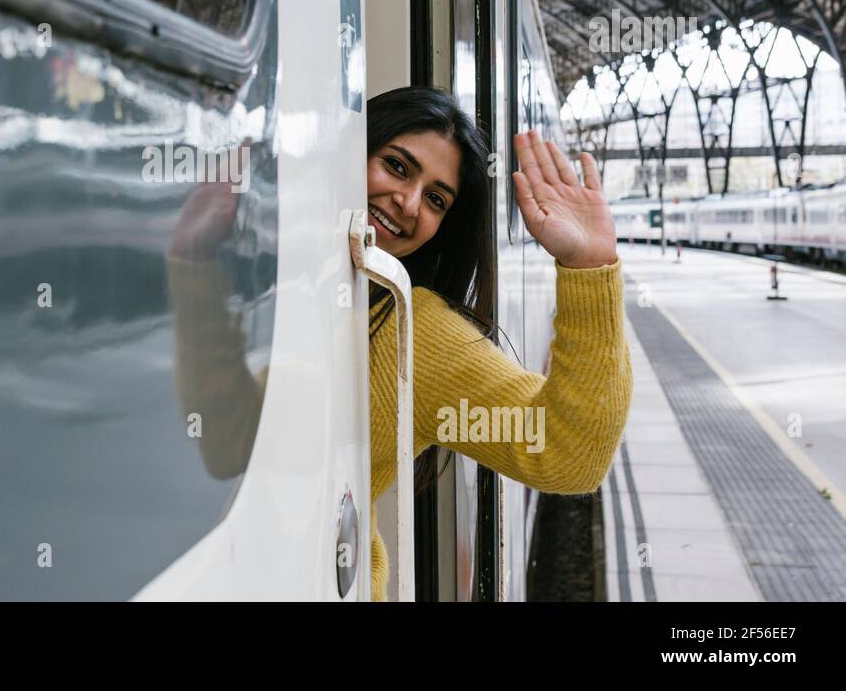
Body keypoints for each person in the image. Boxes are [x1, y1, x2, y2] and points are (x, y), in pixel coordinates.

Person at [164, 86, 632, 600]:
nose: (407, 204)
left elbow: (571, 453)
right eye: (397, 166)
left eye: (436, 199)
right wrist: (193, 261)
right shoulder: (315, 289)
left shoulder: (419, 330)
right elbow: (229, 446)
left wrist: (590, 266)